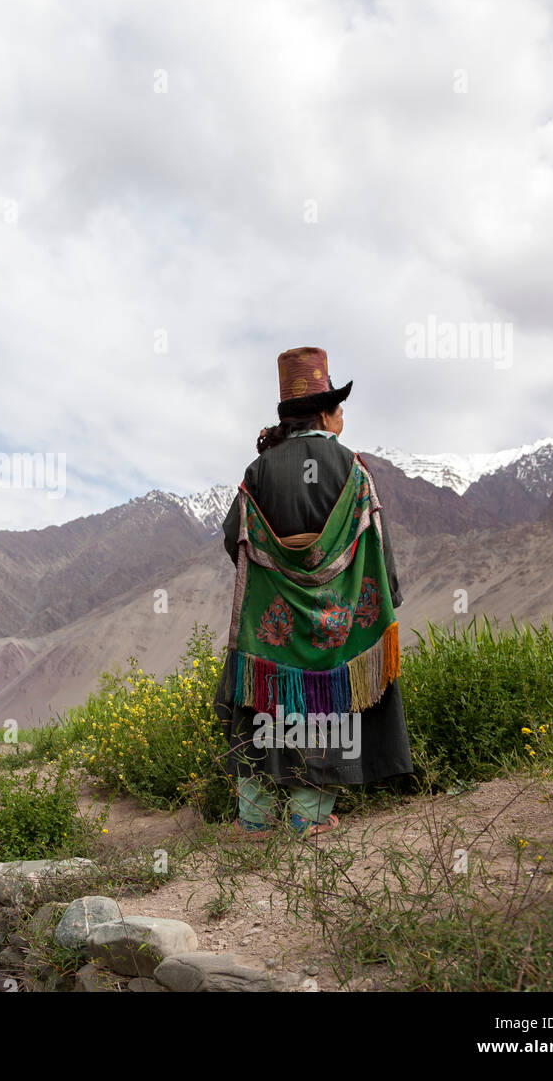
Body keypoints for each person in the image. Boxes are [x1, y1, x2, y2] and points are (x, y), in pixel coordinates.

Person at [215, 346, 413, 838]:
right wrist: (386, 593)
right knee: (327, 707)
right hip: (335, 623)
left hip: (272, 625)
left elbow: (232, 537)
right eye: (339, 406)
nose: (342, 415)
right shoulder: (351, 467)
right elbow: (374, 539)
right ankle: (310, 813)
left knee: (264, 704)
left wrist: (277, 578)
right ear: (324, 412)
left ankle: (255, 818)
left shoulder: (257, 473)